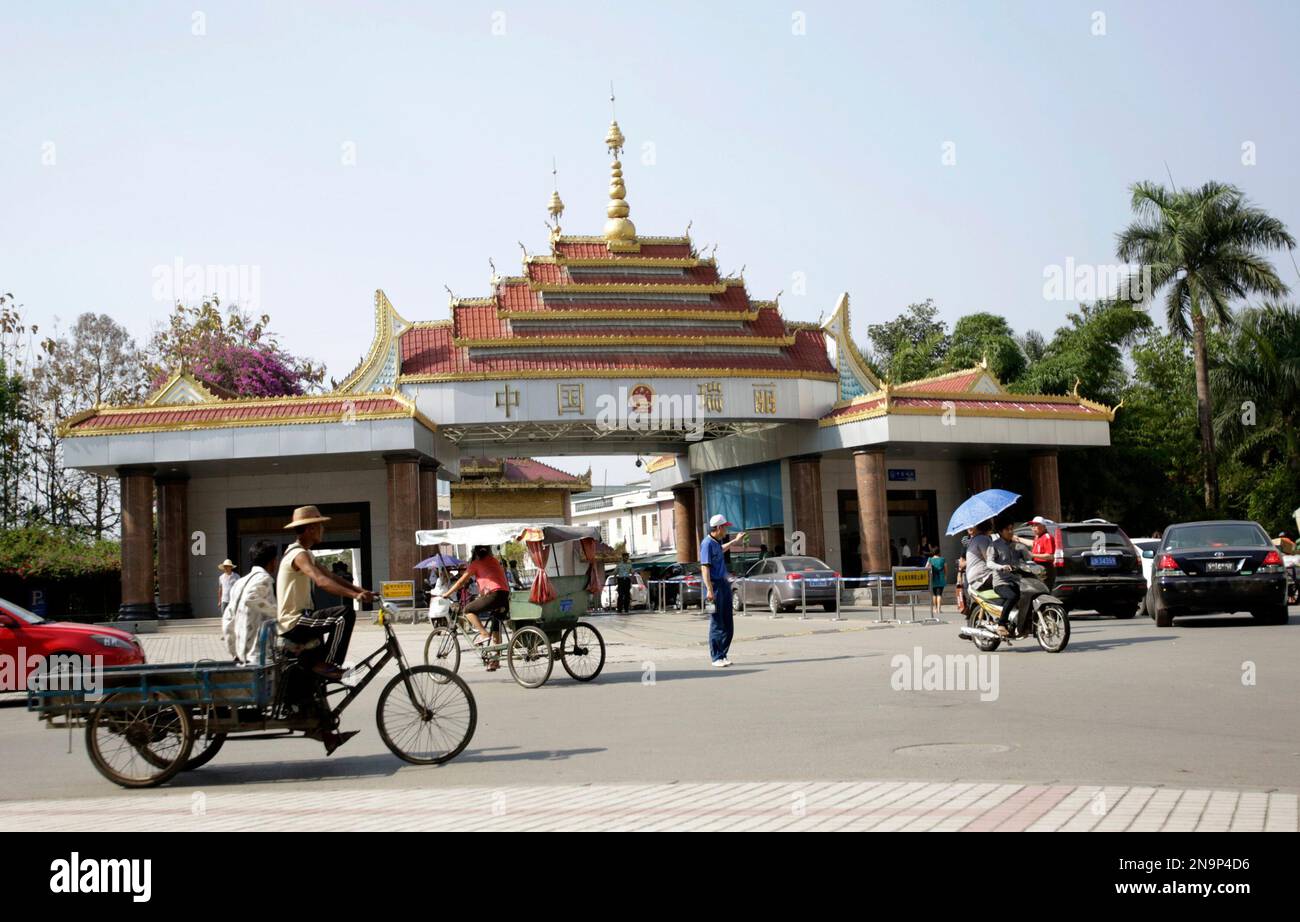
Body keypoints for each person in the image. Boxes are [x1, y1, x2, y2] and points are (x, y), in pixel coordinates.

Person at [277, 506, 376, 682]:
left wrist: (362, 591)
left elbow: (330, 576)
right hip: (293, 622)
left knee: (313, 680)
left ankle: (320, 674)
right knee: (343, 616)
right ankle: (328, 665)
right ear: (310, 529)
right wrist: (354, 596)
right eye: (320, 526)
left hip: (304, 618)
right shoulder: (298, 554)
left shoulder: (306, 553)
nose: (323, 529)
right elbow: (321, 581)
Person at [442, 546, 511, 668]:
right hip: (504, 596)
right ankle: (495, 661)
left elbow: (461, 582)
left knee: (467, 610)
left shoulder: (475, 564)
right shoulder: (494, 560)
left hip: (493, 595)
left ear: (475, 554)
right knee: (496, 627)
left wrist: (447, 594)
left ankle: (483, 633)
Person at [701, 514, 746, 667]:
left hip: (723, 585)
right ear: (719, 527)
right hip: (713, 587)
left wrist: (735, 541)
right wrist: (709, 590)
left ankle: (723, 654)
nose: (727, 530)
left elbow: (721, 549)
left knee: (728, 624)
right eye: (725, 527)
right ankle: (716, 657)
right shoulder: (706, 544)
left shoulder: (716, 542)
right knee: (716, 623)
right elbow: (705, 568)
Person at [222, 541, 279, 664]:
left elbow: (228, 619)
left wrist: (234, 651)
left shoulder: (239, 583)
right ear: (273, 561)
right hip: (259, 656)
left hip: (242, 657)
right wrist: (279, 614)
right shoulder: (264, 579)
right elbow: (251, 598)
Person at [990, 522, 1029, 634]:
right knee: (1013, 596)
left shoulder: (1016, 545)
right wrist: (1001, 567)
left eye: (1012, 529)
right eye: (1007, 529)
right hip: (1001, 582)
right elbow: (989, 563)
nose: (1011, 531)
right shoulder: (994, 545)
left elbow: (1027, 558)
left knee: (1028, 595)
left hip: (1017, 580)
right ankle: (1001, 624)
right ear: (1000, 532)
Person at [927, 547, 946, 615]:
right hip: (941, 578)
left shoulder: (930, 559)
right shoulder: (942, 559)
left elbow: (926, 567)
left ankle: (935, 608)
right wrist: (945, 576)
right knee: (939, 594)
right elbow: (945, 568)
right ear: (939, 552)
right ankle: (939, 609)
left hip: (933, 578)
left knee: (934, 594)